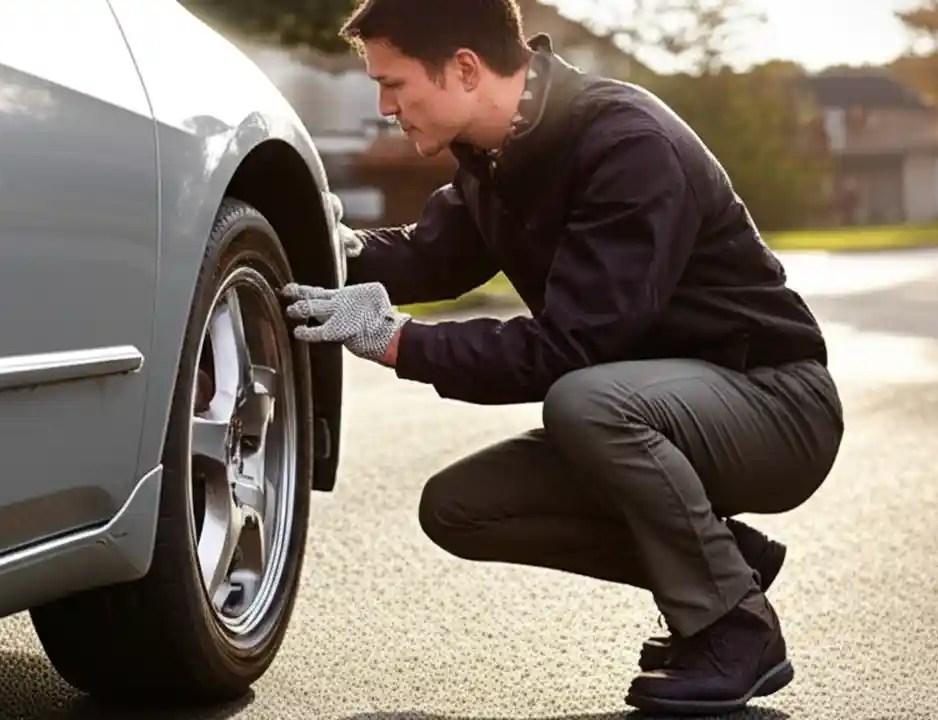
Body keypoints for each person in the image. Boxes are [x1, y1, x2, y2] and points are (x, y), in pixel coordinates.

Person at [279, 0, 845, 715]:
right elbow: (431, 256)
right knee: (460, 508)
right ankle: (724, 569)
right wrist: (326, 250)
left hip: (774, 406)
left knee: (584, 399)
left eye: (393, 83)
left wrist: (397, 340)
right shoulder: (497, 156)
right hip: (665, 410)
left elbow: (576, 344)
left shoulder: (624, 143)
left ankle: (732, 627)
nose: (385, 105)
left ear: (463, 67)